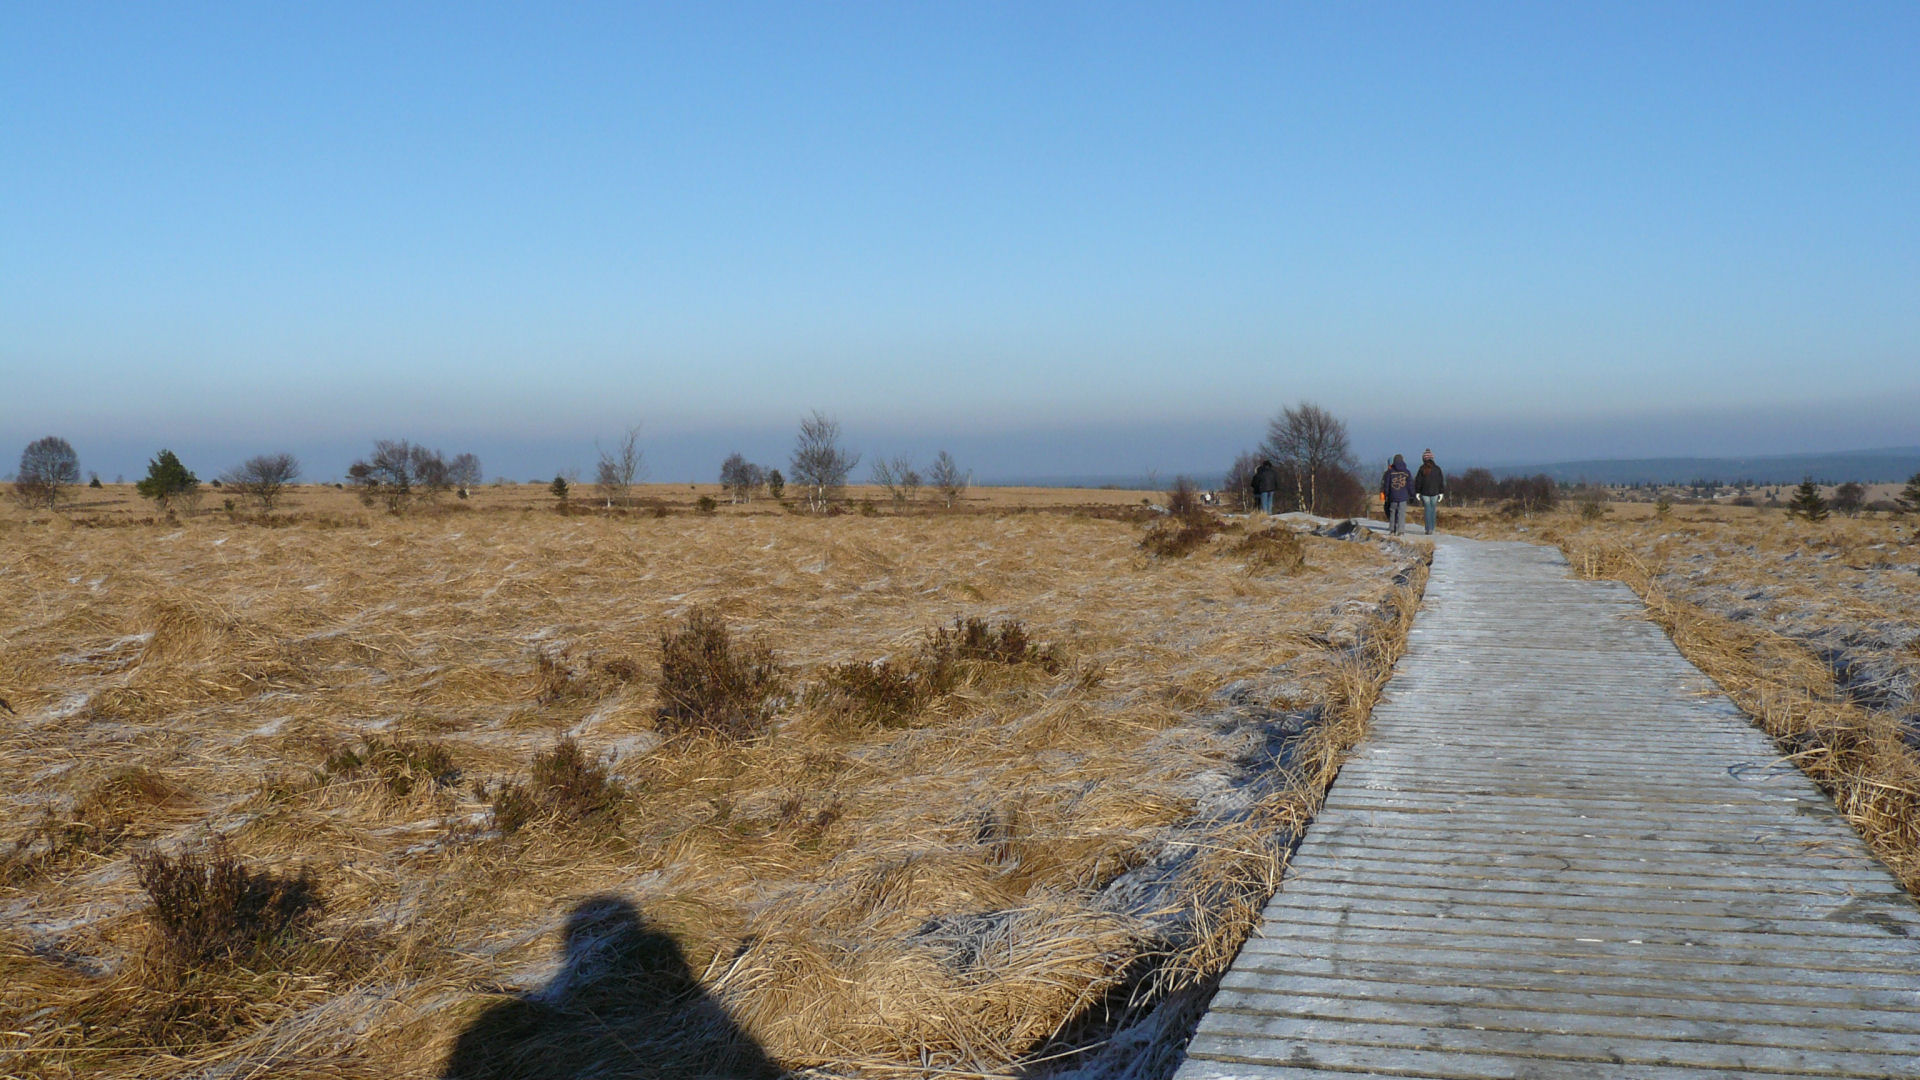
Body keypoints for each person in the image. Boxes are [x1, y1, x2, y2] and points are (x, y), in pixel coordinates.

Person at [1414, 448, 1446, 535]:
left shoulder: (1421, 468)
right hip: (1435, 492)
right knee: (1433, 510)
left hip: (1424, 492)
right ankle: (1432, 527)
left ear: (1424, 458)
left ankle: (1428, 529)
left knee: (1427, 510)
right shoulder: (1437, 469)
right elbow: (1441, 481)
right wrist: (1441, 492)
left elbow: (1418, 481)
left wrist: (1417, 492)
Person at [1380, 454, 1414, 535]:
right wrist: (1412, 494)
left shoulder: (1390, 472)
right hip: (1403, 497)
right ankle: (1401, 531)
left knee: (1392, 513)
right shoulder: (1407, 472)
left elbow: (1387, 485)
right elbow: (1410, 485)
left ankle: (1392, 530)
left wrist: (1387, 494)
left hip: (1393, 496)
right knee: (1401, 514)